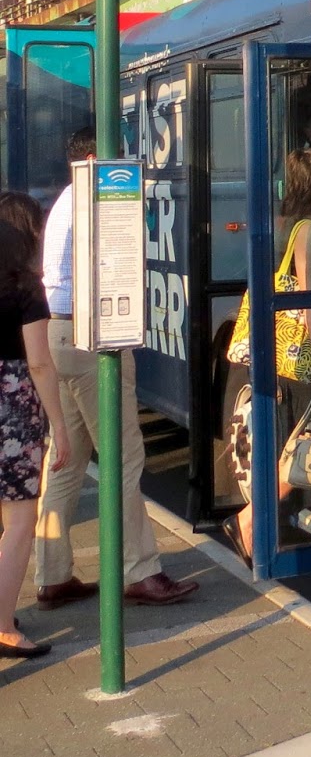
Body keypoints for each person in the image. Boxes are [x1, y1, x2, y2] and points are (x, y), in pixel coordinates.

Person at [34, 130, 197, 609]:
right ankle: (139, 570)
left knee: (67, 461)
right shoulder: (93, 202)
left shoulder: (66, 200)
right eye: (114, 155)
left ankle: (52, 574)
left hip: (58, 334)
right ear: (92, 158)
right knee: (124, 459)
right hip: (91, 341)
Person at [222, 146, 311, 560]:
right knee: (301, 444)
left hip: (276, 350)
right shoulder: (307, 231)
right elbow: (308, 300)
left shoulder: (280, 223)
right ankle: (248, 520)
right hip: (299, 354)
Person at [0, 194, 70, 658]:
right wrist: (58, 426)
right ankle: (4, 625)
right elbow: (40, 364)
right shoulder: (25, 287)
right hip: (13, 408)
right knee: (20, 520)